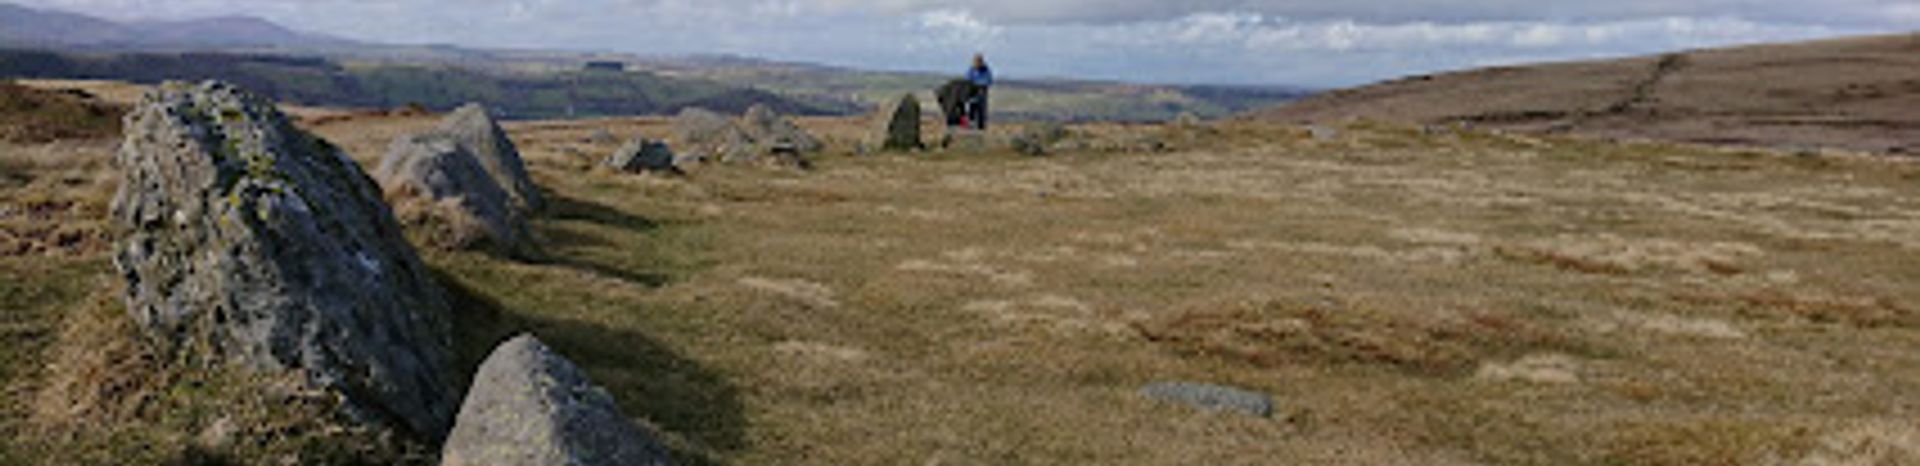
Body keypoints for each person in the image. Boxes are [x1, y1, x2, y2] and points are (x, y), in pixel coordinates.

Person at [965, 53, 993, 130]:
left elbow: (989, 81)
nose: (977, 63)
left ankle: (981, 128)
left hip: (982, 94)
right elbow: (967, 80)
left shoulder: (986, 70)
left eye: (979, 61)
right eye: (976, 62)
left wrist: (980, 84)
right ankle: (970, 128)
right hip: (972, 95)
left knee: (981, 113)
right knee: (971, 112)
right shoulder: (971, 70)